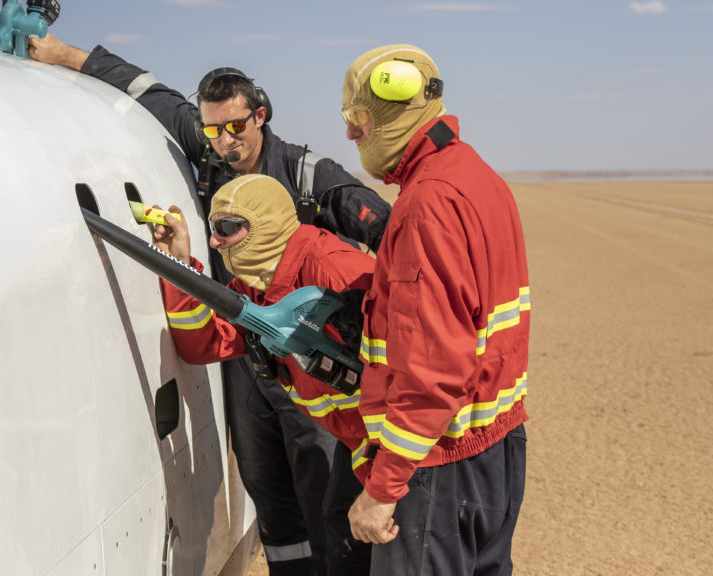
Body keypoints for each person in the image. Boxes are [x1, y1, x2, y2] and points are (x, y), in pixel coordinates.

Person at [30, 35, 392, 576]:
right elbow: (144, 88)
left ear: (260, 116)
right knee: (266, 489)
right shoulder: (205, 153)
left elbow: (382, 229)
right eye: (213, 129)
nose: (225, 141)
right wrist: (61, 56)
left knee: (326, 491)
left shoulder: (303, 176)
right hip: (253, 353)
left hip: (316, 361)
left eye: (236, 128)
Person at [340, 44, 530, 575]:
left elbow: (433, 366)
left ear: (393, 117)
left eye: (358, 121)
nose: (352, 136)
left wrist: (384, 488)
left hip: (438, 464)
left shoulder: (427, 203)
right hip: (498, 448)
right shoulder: (478, 176)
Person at [153, 174, 375, 576]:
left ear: (267, 227)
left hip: (404, 447)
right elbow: (203, 344)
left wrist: (389, 479)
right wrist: (180, 266)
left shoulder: (341, 274)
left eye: (228, 228)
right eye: (212, 229)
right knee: (343, 545)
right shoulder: (256, 291)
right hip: (357, 444)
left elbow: (418, 372)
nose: (216, 241)